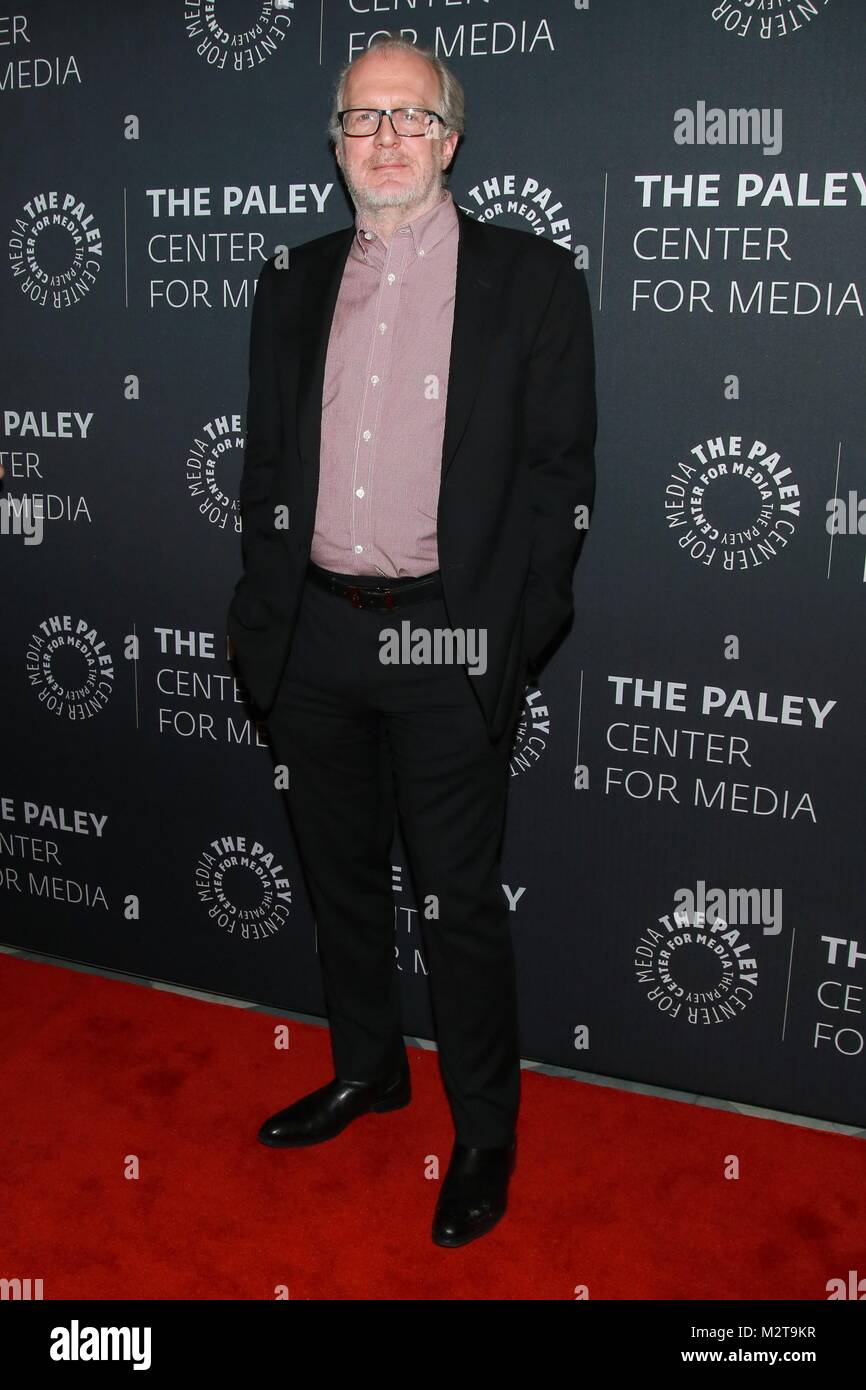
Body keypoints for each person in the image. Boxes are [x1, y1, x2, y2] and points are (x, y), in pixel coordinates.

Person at [227, 31, 597, 1248]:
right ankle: (369, 1070)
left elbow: (558, 480)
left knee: (455, 902)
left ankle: (484, 1130)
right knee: (338, 885)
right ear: (334, 141)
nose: (383, 141)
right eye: (360, 119)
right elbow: (268, 465)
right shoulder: (291, 280)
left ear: (449, 136)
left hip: (445, 640)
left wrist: (508, 636)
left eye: (408, 118)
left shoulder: (530, 280)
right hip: (316, 636)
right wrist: (261, 614)